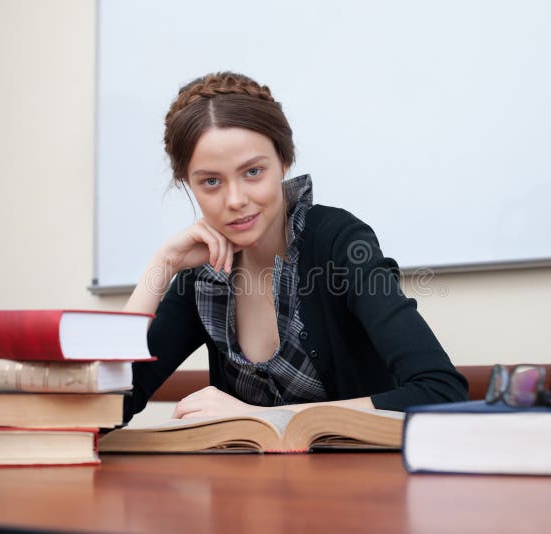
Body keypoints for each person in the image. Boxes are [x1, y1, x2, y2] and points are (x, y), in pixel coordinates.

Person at [123, 72, 468, 422]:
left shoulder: (336, 241)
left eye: (253, 172)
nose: (235, 199)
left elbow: (440, 391)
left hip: (362, 475)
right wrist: (163, 265)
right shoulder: (203, 272)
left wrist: (264, 416)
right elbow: (107, 405)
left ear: (284, 161)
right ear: (188, 183)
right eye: (211, 181)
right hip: (246, 478)